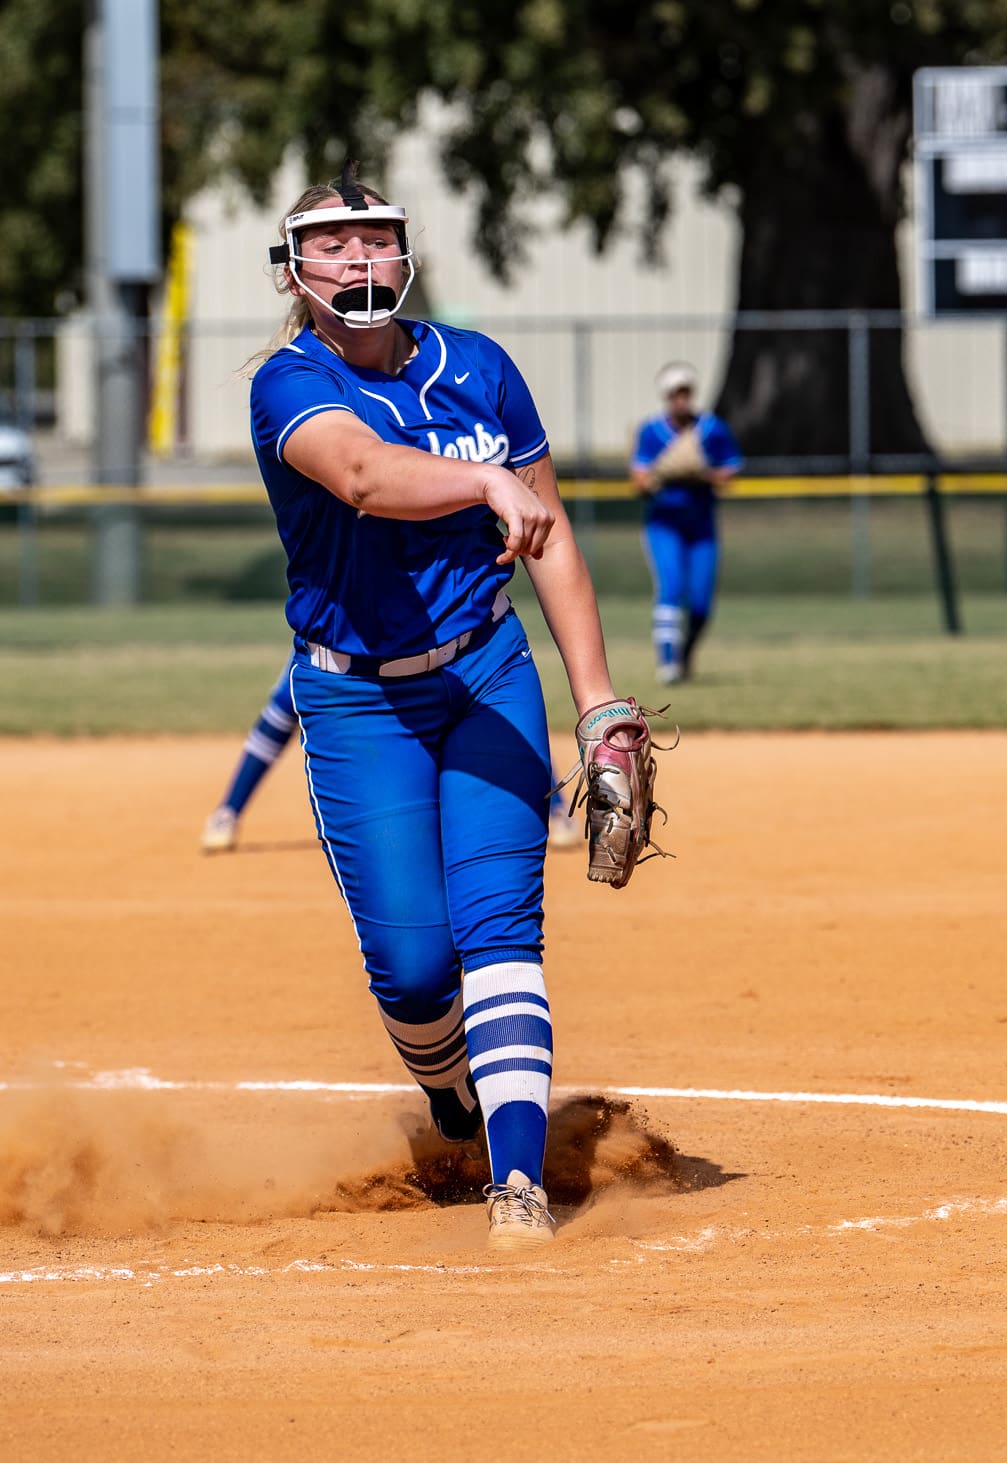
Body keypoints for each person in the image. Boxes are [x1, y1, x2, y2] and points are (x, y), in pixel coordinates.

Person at [247, 167, 648, 1249]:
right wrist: (482, 484)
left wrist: (597, 696)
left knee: (499, 927)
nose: (359, 258)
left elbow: (549, 531)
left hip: (485, 674)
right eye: (331, 244)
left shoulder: (478, 367)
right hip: (356, 698)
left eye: (376, 238)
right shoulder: (288, 383)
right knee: (416, 968)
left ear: (405, 252)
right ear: (294, 270)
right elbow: (368, 475)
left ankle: (517, 1184)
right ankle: (451, 1102)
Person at [199, 661, 581, 854]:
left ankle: (556, 806)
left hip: (432, 609)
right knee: (287, 702)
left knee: (481, 700)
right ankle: (229, 811)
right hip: (344, 611)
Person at [629, 363, 743, 683]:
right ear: (666, 397)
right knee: (671, 587)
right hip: (664, 524)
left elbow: (729, 472)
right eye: (674, 394)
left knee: (700, 605)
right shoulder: (652, 431)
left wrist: (702, 472)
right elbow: (639, 479)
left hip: (701, 526)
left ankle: (685, 654)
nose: (681, 400)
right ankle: (667, 664)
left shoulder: (711, 429)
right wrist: (662, 474)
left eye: (685, 393)